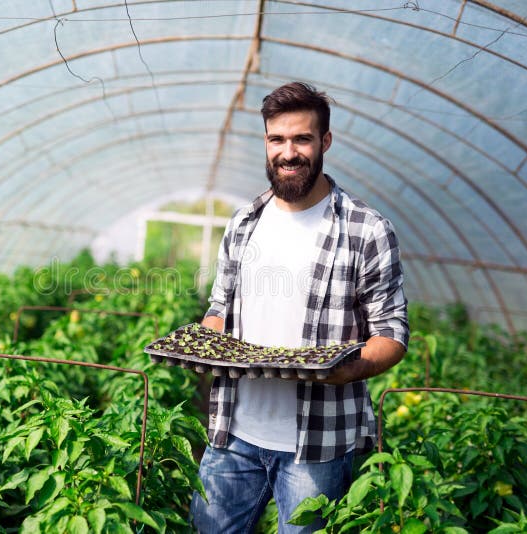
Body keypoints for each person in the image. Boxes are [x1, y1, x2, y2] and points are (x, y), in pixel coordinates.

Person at [189, 82, 409, 533]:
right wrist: (205, 343)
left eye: (302, 139)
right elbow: (219, 307)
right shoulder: (244, 223)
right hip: (233, 433)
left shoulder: (366, 230)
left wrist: (347, 369)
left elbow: (392, 334)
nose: (288, 152)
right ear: (266, 142)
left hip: (319, 443)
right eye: (277, 140)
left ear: (324, 142)